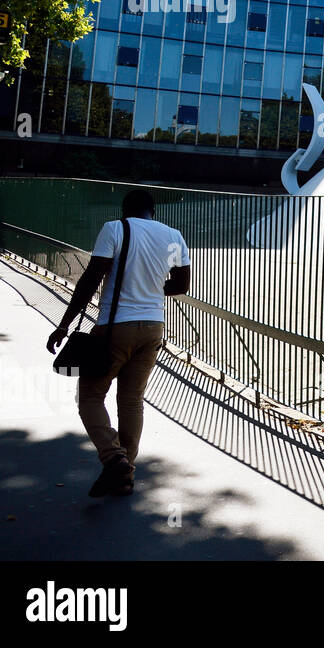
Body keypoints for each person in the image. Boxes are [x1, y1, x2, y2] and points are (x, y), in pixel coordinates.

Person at [47, 189, 191, 497]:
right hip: (153, 327)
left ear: (125, 210)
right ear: (153, 210)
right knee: (131, 401)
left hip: (116, 328)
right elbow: (181, 284)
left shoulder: (116, 228)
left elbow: (90, 279)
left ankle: (114, 458)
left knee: (89, 396)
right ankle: (124, 476)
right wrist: (150, 289)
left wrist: (64, 324)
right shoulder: (174, 236)